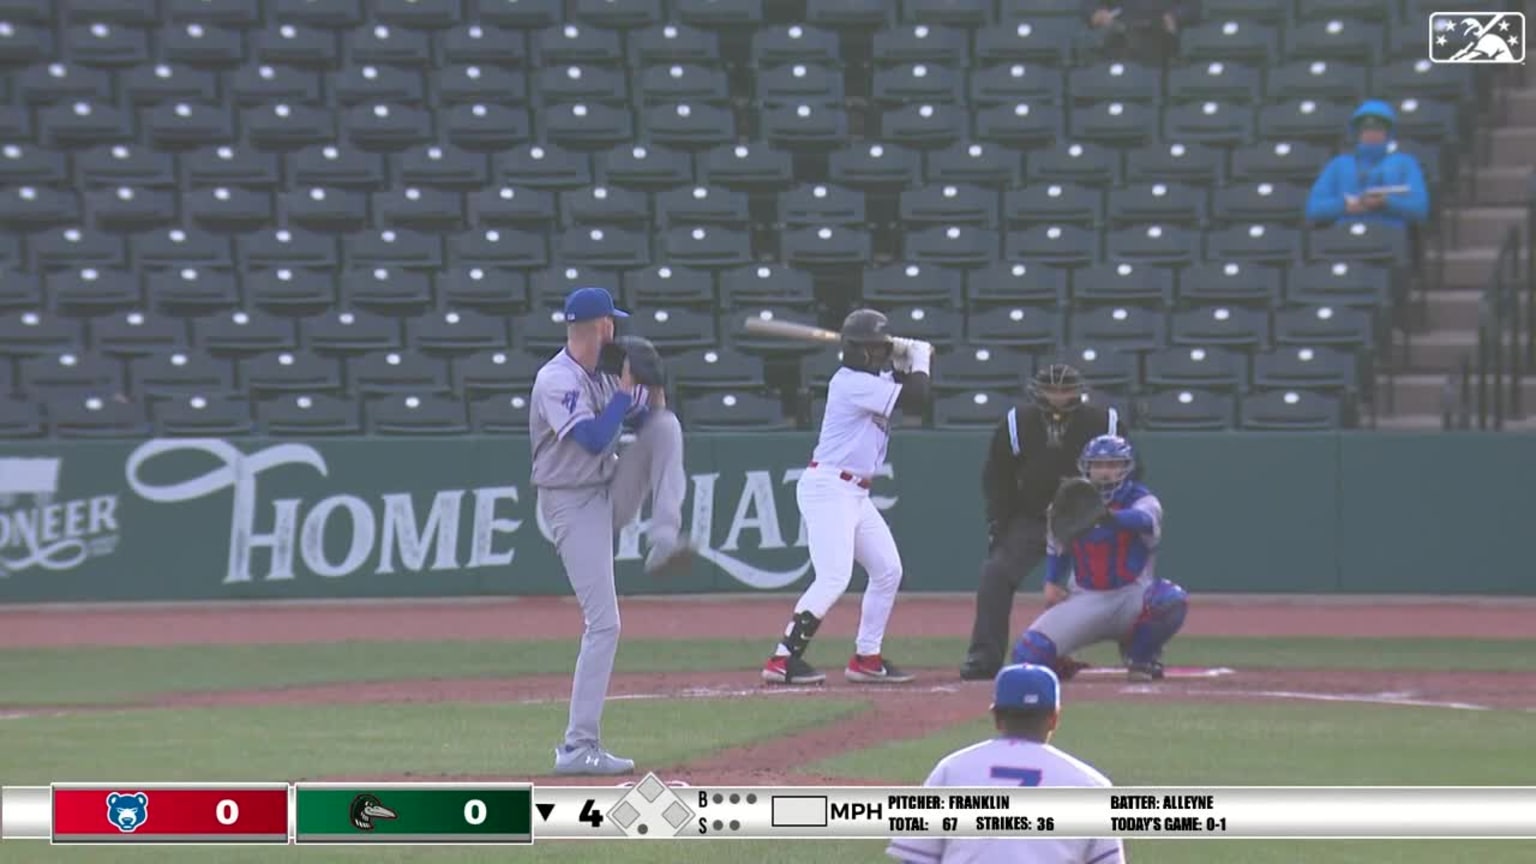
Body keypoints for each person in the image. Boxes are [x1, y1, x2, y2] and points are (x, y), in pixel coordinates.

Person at [530, 285, 694, 776]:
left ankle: (664, 538)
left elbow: (653, 418)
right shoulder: (555, 379)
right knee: (604, 624)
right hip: (571, 503)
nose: (616, 329)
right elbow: (594, 438)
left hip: (608, 488)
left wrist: (656, 387)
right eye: (612, 322)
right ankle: (577, 747)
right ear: (601, 326)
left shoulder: (604, 373)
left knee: (668, 429)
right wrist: (625, 392)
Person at [761, 308, 934, 686]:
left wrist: (902, 356)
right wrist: (919, 358)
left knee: (888, 570)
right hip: (829, 488)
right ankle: (782, 659)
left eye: (881, 349)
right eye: (874, 348)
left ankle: (866, 658)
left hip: (854, 493)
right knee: (834, 577)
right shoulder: (850, 382)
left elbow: (903, 383)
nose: (879, 354)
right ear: (858, 351)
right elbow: (917, 397)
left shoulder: (876, 379)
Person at [960, 364, 1131, 682]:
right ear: (1038, 392)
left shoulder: (1104, 421)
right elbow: (998, 476)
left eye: (1065, 390)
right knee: (996, 574)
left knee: (1123, 582)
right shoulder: (1016, 422)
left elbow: (1130, 470)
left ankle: (1140, 655)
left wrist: (1112, 514)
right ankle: (983, 656)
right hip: (1035, 517)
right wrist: (1001, 521)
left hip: (1089, 519)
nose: (1058, 397)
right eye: (1052, 390)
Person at [885, 663, 1125, 864]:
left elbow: (917, 859)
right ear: (1054, 718)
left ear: (997, 717)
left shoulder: (952, 770)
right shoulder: (1091, 784)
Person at [1011, 435, 1188, 683]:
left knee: (1170, 600)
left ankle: (1141, 657)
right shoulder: (1068, 502)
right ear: (1087, 467)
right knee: (1026, 657)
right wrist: (1051, 581)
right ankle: (1062, 663)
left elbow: (1145, 520)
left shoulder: (1142, 498)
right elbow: (1057, 546)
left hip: (1132, 595)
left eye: (1114, 465)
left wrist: (1105, 516)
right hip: (1087, 597)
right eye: (1099, 465)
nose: (1106, 472)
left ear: (1126, 468)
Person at [1305, 100, 1429, 228]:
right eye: (1366, 129)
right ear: (1357, 133)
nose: (1372, 133)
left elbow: (1420, 208)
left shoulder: (1406, 163)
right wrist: (1344, 206)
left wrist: (1386, 203)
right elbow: (1313, 209)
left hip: (1391, 237)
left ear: (1388, 133)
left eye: (1378, 129)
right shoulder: (1338, 165)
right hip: (1345, 237)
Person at [1081, 0, 1201, 68]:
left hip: (1160, 33)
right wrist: (1097, 13)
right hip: (1120, 33)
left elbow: (1192, 6)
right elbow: (1090, 4)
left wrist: (1175, 17)